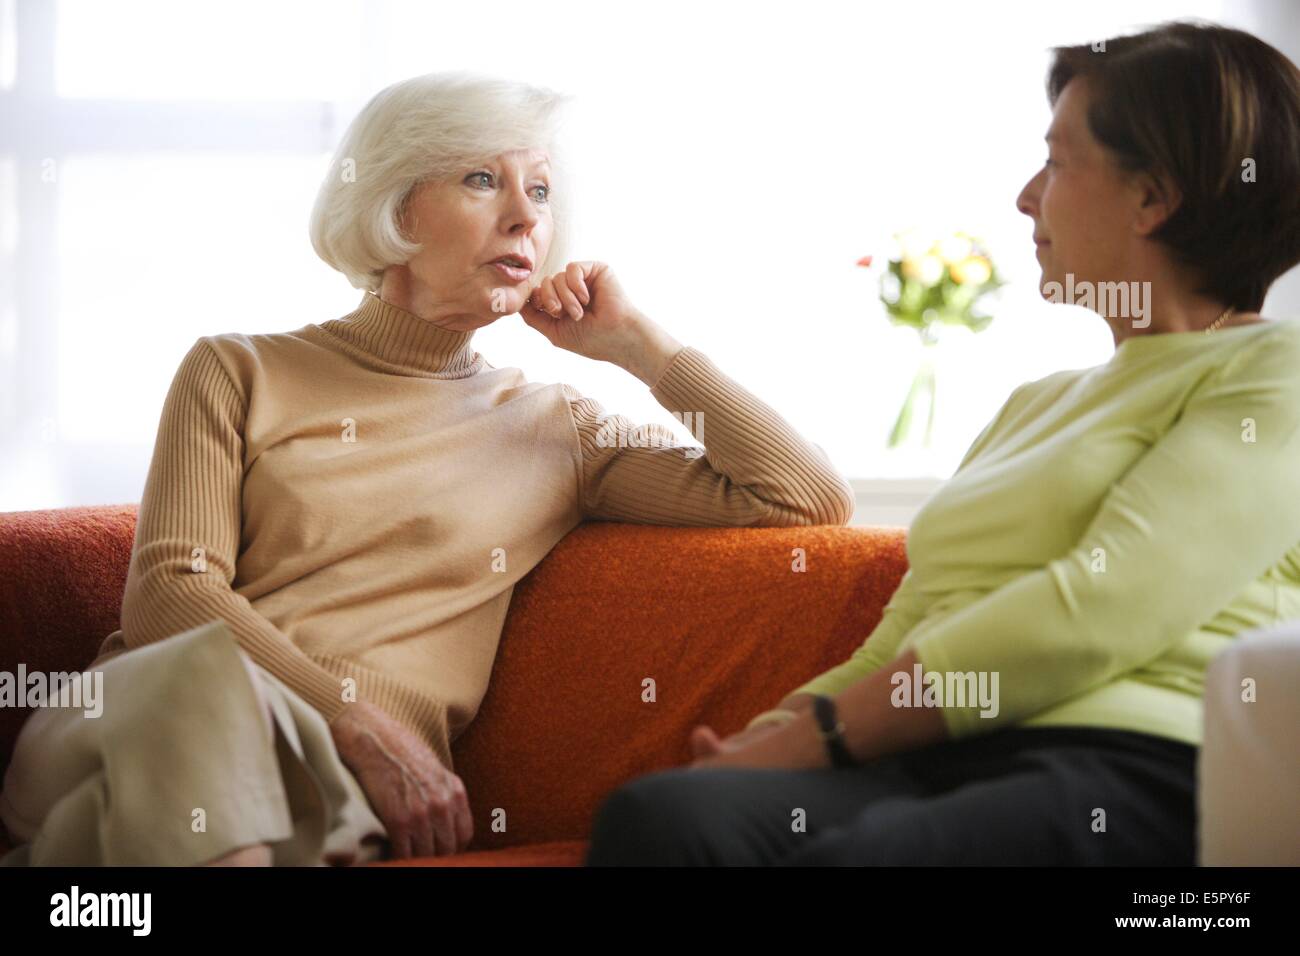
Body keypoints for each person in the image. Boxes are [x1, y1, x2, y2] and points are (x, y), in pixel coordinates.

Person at [0, 72, 854, 867]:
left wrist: (643, 349)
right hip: (146, 726)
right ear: (393, 206)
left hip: (324, 790)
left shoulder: (557, 428)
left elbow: (804, 499)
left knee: (148, 850)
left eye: (542, 191)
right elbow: (170, 598)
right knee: (196, 693)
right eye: (484, 180)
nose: (526, 217)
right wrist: (356, 717)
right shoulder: (237, 368)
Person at [585, 20, 1300, 866]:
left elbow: (1100, 609)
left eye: (1058, 162)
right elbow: (906, 631)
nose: (1027, 196)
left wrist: (821, 737)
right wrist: (761, 743)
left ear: (1154, 197)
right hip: (938, 758)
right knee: (665, 820)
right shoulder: (1034, 404)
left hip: (1132, 763)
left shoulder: (1272, 369)